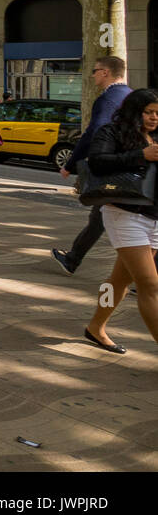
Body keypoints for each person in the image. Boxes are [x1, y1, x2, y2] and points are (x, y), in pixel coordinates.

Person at [81, 88, 158, 353]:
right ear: (135, 111)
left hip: (153, 217)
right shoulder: (112, 132)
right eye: (148, 112)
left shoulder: (156, 136)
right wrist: (140, 155)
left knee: (119, 281)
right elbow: (98, 163)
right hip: (124, 213)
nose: (154, 117)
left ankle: (95, 327)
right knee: (150, 283)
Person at [54, 55, 132, 275]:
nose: (92, 75)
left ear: (105, 72)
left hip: (114, 169)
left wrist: (70, 164)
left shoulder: (107, 99)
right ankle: (72, 259)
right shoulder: (131, 95)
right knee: (100, 217)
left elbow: (93, 133)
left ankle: (145, 275)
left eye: (95, 70)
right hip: (129, 167)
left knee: (114, 218)